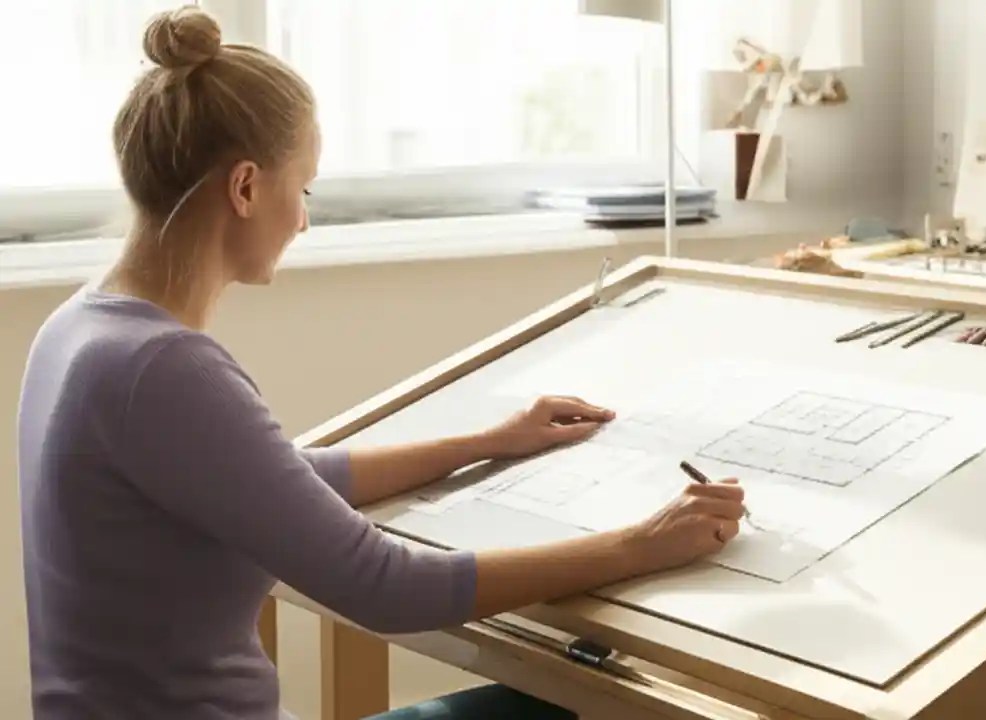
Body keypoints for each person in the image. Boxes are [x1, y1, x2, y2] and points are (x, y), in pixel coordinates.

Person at [15, 6, 746, 719]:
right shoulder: (167, 370)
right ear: (244, 187)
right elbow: (386, 587)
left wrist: (485, 442)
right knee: (568, 707)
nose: (302, 218)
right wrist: (639, 544)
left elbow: (278, 479)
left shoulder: (81, 328)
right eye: (301, 188)